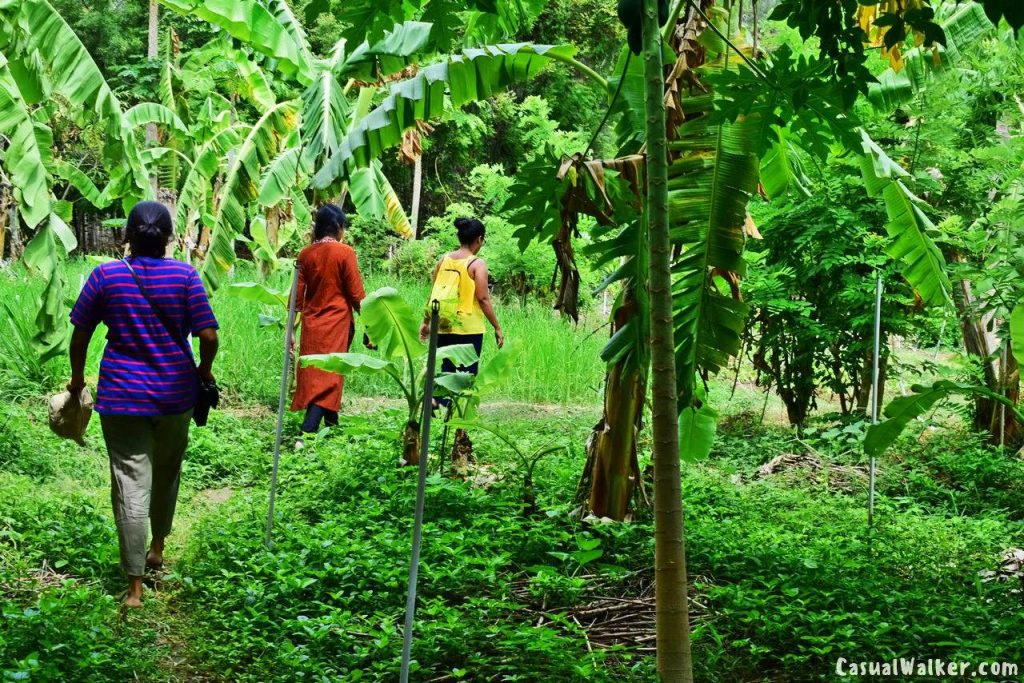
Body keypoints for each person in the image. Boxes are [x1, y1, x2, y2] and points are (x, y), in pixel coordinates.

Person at [67, 201, 219, 608]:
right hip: (175, 396)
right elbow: (207, 335)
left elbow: (80, 333)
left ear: (127, 236)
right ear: (169, 239)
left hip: (121, 397)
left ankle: (134, 588)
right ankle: (157, 549)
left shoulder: (107, 274)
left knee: (130, 482)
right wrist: (203, 372)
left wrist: (78, 379)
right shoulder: (186, 276)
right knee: (167, 471)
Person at [290, 205, 366, 439]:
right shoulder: (345, 253)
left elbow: (296, 296)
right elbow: (356, 294)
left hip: (312, 325)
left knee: (317, 375)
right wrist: (371, 324)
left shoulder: (305, 254)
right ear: (339, 228)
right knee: (329, 378)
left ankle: (332, 426)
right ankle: (308, 431)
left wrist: (290, 330)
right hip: (337, 323)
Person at [420, 217, 504, 376]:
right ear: (479, 239)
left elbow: (433, 293)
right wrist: (497, 327)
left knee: (447, 373)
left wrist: (426, 322)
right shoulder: (477, 264)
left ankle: (439, 401)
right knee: (465, 377)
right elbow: (483, 299)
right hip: (468, 329)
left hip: (444, 325)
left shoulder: (443, 261)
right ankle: (444, 402)